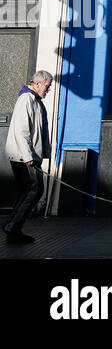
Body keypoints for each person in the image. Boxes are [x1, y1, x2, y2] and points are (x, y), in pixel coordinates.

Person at [4, 71, 53, 245]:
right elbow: (22, 130)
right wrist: (28, 156)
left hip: (29, 155)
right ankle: (12, 226)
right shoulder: (26, 99)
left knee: (25, 191)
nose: (48, 90)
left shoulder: (36, 101)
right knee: (35, 189)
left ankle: (14, 231)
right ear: (38, 84)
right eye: (47, 86)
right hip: (23, 156)